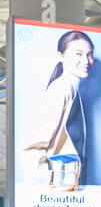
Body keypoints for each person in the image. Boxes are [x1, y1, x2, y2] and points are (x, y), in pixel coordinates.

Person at [20, 29, 95, 193]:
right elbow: (31, 147)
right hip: (61, 191)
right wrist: (52, 186)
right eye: (78, 54)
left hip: (69, 188)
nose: (86, 61)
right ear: (61, 56)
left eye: (89, 54)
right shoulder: (62, 88)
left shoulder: (70, 89)